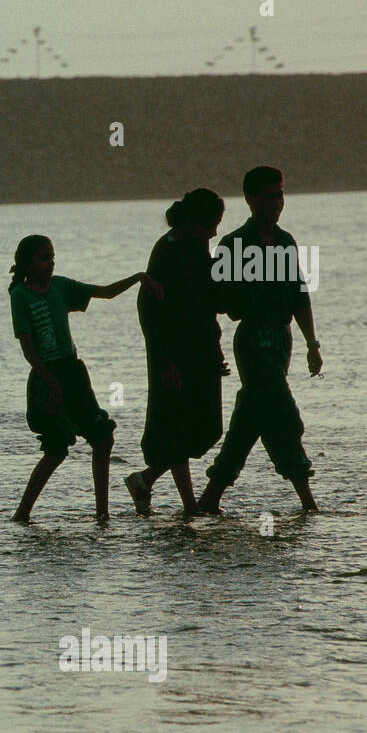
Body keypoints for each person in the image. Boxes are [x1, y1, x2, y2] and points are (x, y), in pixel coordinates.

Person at [8, 234, 162, 522]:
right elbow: (28, 349)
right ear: (27, 264)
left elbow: (106, 292)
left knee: (102, 439)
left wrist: (139, 277)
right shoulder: (20, 296)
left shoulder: (60, 287)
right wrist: (52, 384)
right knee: (56, 449)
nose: (50, 263)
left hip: (73, 373)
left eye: (52, 257)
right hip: (45, 377)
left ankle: (102, 514)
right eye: (44, 258)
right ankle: (22, 514)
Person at [197, 166, 321, 513]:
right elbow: (213, 301)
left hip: (281, 339)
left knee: (251, 418)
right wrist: (213, 347)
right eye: (268, 196)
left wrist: (312, 344)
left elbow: (299, 295)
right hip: (252, 340)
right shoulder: (234, 244)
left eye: (280, 195)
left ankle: (208, 498)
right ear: (250, 199)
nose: (276, 203)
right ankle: (308, 502)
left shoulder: (285, 241)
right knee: (284, 414)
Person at [125, 189, 228, 515]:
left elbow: (207, 304)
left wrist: (215, 350)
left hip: (199, 348)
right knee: (175, 428)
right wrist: (164, 362)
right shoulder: (166, 252)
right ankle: (189, 506)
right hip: (171, 352)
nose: (213, 232)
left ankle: (144, 480)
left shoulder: (197, 247)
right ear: (191, 222)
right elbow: (150, 311)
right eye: (209, 225)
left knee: (208, 428)